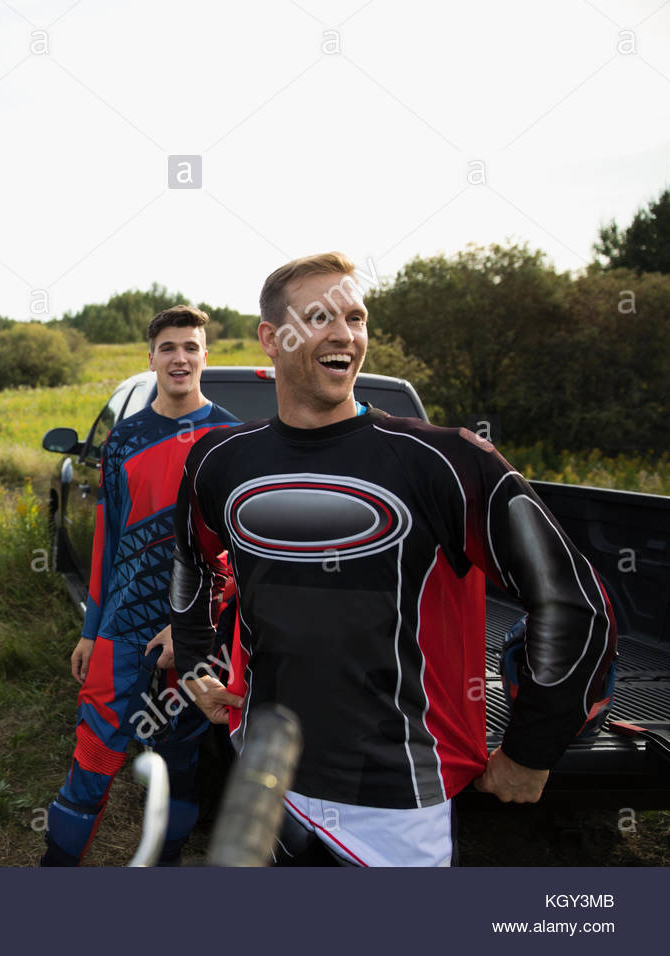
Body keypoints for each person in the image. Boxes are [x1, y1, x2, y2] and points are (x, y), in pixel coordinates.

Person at [170, 252, 618, 867]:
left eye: (357, 318)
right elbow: (192, 563)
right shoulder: (219, 459)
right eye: (321, 316)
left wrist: (532, 749)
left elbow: (575, 603)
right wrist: (196, 663)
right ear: (273, 339)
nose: (344, 335)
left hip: (394, 807)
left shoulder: (447, 461)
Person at [40, 306, 239, 866]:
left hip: (194, 638)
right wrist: (90, 629)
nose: (180, 358)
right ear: (150, 358)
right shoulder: (124, 439)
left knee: (178, 764)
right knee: (94, 754)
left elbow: (231, 554)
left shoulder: (229, 438)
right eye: (169, 347)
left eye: (191, 347)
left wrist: (189, 628)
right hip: (121, 629)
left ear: (205, 355)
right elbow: (107, 544)